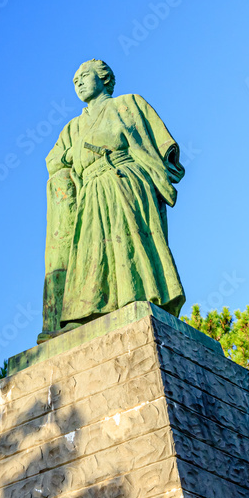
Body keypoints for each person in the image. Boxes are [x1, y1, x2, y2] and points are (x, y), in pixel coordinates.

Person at [39, 59, 185, 344]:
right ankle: (87, 312)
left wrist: (166, 161)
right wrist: (71, 157)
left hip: (122, 179)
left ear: (104, 79)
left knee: (127, 240)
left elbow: (161, 141)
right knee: (90, 252)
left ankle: (137, 297)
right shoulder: (73, 127)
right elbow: (53, 160)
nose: (78, 82)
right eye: (74, 80)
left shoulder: (128, 104)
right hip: (90, 189)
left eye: (84, 76)